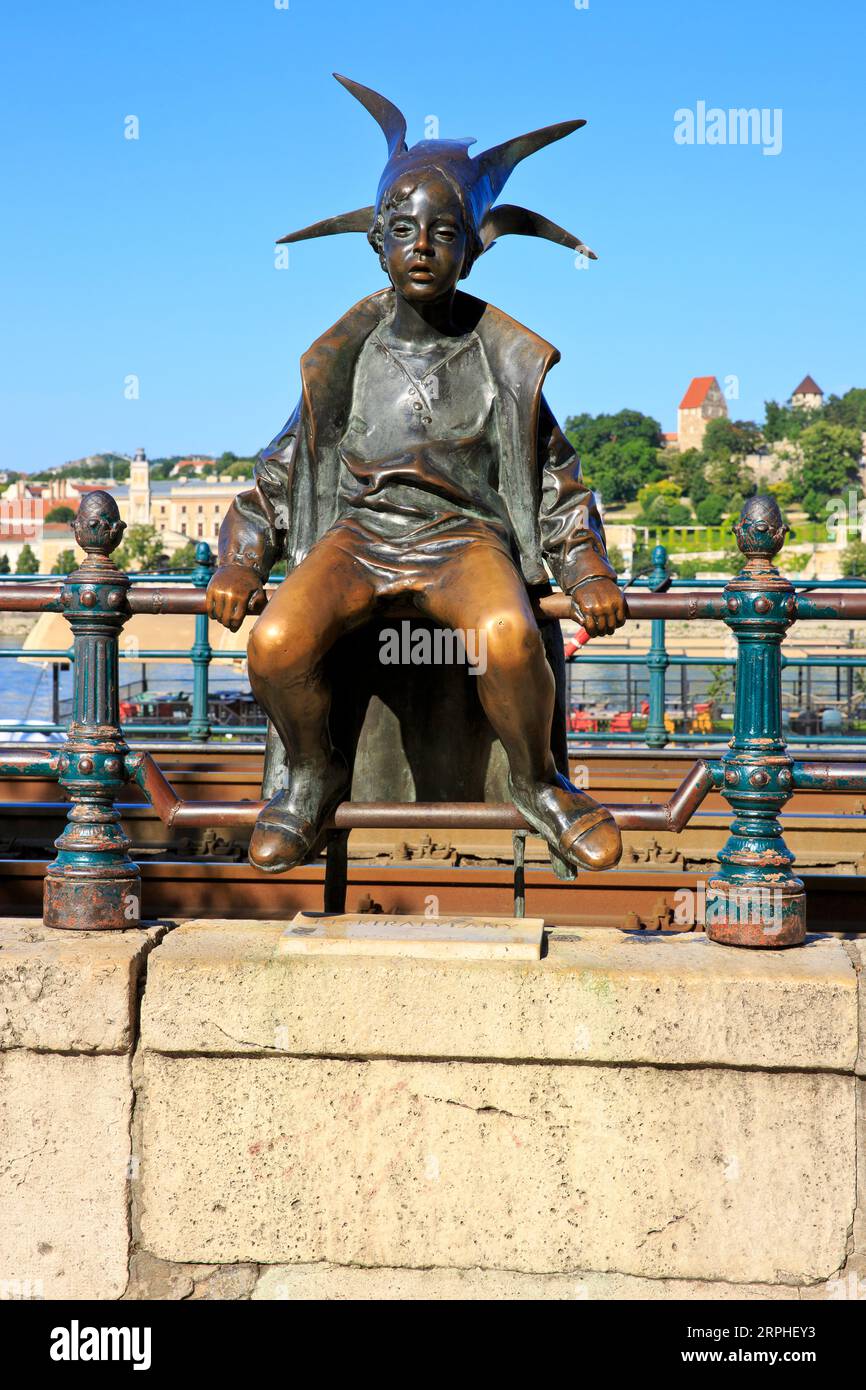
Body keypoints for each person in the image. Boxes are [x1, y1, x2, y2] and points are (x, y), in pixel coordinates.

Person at [208, 75, 627, 875]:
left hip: (464, 539)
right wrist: (241, 556)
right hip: (358, 537)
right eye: (404, 229)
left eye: (445, 231)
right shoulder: (348, 359)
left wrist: (588, 566)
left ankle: (541, 785)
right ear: (378, 240)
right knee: (277, 640)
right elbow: (279, 471)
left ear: (473, 247)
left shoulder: (501, 358)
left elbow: (555, 483)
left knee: (508, 635)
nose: (424, 246)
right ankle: (309, 775)